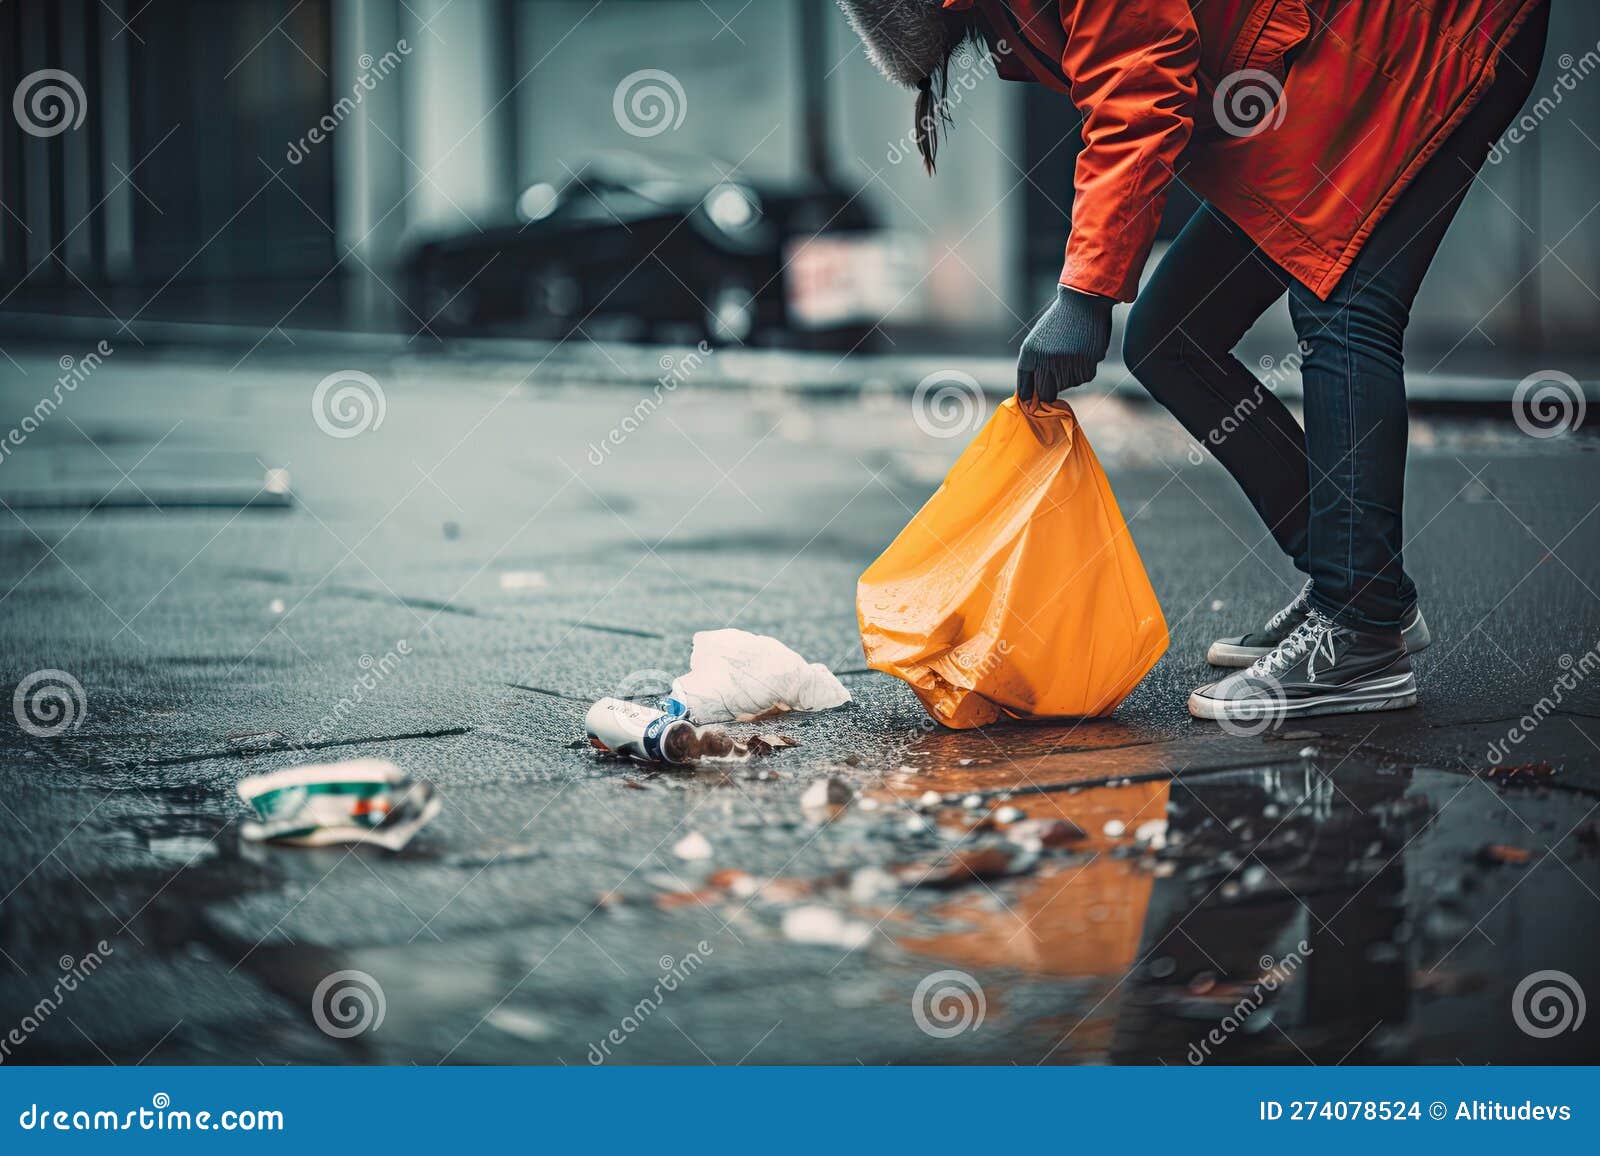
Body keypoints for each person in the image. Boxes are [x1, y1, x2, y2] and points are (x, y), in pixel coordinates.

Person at [839, 0, 1550, 722]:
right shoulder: (1007, 12)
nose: (982, 55)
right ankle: (1363, 585)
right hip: (1319, 67)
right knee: (1170, 335)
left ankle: (1360, 629)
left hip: (1414, 33)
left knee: (1342, 304)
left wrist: (1085, 293)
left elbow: (1139, 85)